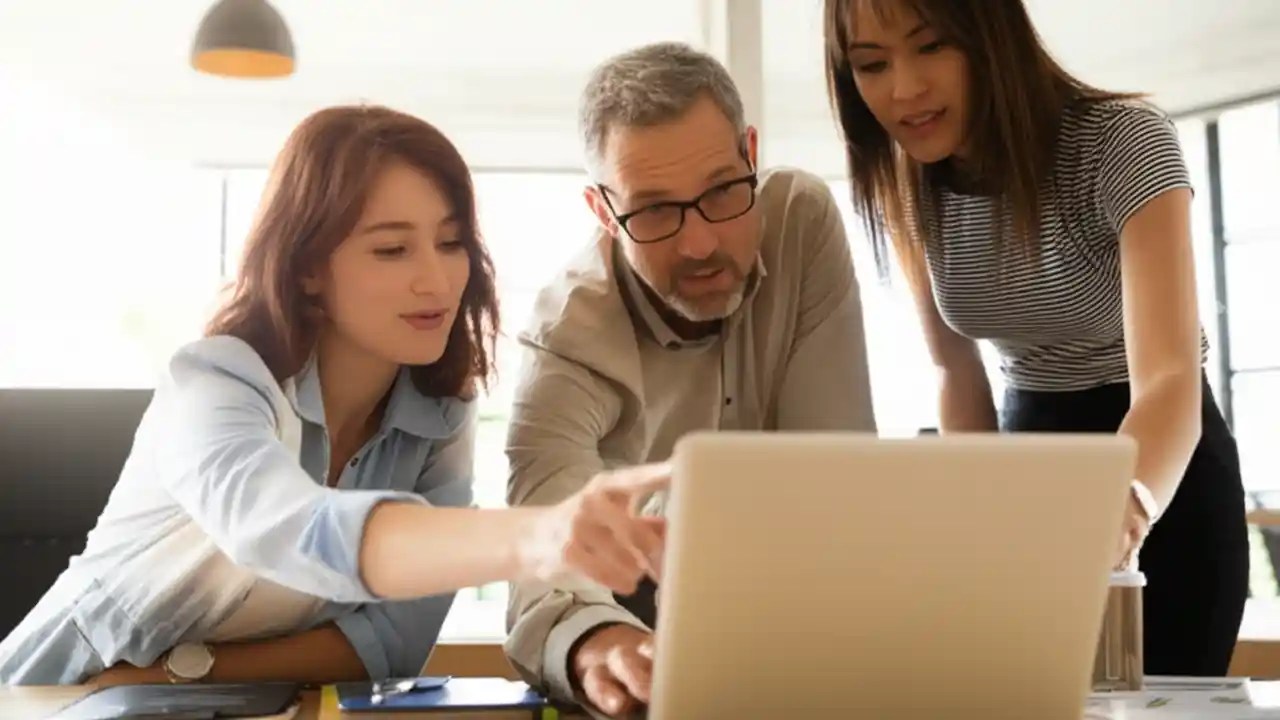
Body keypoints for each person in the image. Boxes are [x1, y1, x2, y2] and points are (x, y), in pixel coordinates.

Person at [0, 105, 667, 687]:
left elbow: (391, 645)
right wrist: (538, 534)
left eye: (450, 242)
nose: (437, 280)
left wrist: (179, 672)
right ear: (308, 267)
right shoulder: (214, 383)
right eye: (392, 250)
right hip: (54, 696)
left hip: (211, 702)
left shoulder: (438, 413)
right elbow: (286, 528)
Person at [822, 0, 1248, 676]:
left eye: (931, 46)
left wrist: (1127, 510)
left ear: (992, 38)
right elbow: (952, 372)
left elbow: (1167, 376)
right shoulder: (905, 181)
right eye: (871, 64)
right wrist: (984, 513)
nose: (903, 89)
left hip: (1162, 462)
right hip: (1031, 453)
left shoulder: (1122, 143)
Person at [504, 42, 877, 716]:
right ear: (600, 210)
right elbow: (541, 546)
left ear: (750, 155)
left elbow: (833, 476)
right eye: (652, 211)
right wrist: (602, 643)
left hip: (803, 613)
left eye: (721, 193)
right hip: (642, 620)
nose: (699, 244)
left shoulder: (800, 223)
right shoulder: (564, 339)